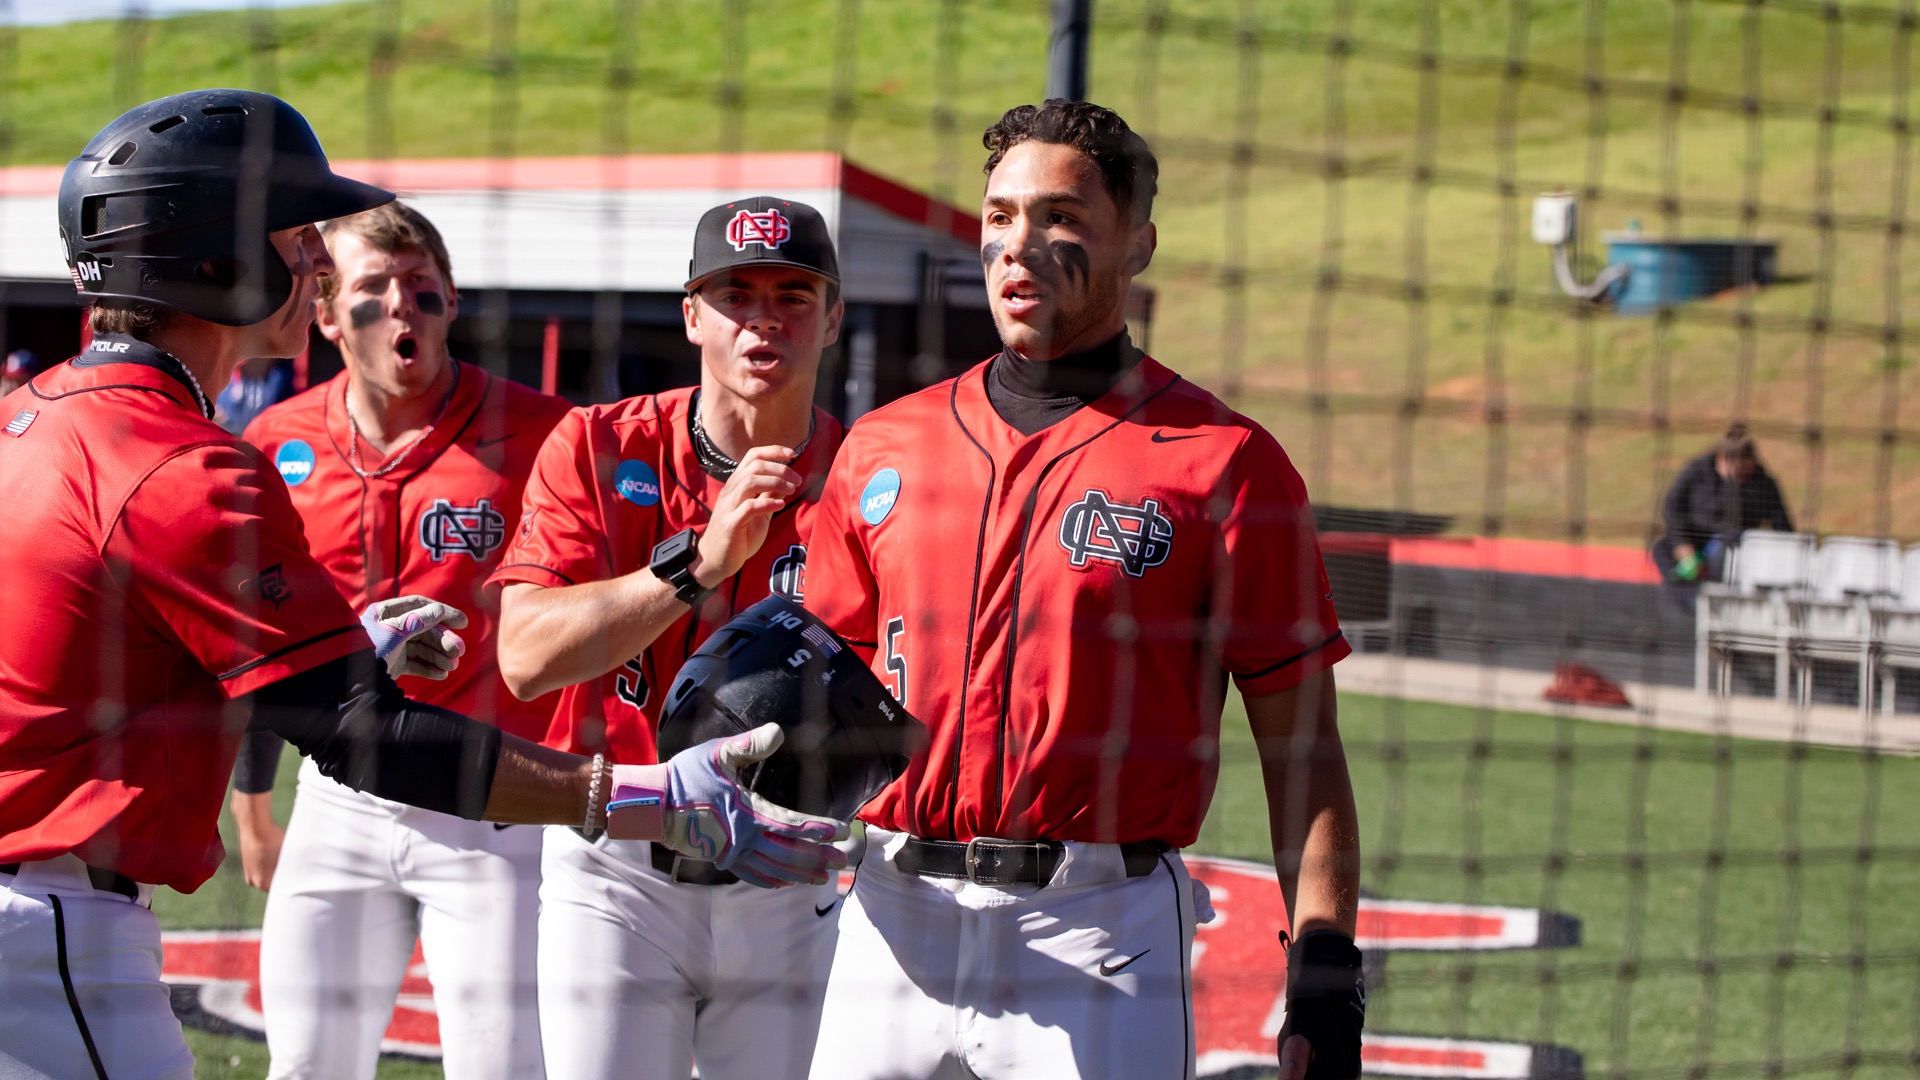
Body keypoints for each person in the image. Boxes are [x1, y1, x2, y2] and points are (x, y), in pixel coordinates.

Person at [0, 90, 845, 1080]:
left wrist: (337, 646)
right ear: (213, 259)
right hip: (52, 930)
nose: (316, 262)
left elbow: (103, 679)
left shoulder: (34, 415)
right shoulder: (189, 463)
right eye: (295, 235)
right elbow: (372, 737)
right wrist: (646, 796)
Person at [799, 100, 1365, 1080]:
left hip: (1097, 932)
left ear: (1137, 243)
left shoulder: (1225, 462)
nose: (1020, 246)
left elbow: (1303, 750)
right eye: (999, 216)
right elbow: (819, 689)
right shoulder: (883, 444)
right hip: (890, 919)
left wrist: (1324, 962)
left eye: (1060, 218)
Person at [489, 196, 848, 1080]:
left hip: (790, 873)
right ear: (692, 315)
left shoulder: (871, 474)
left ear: (833, 316)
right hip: (617, 869)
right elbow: (525, 659)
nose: (763, 318)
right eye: (736, 294)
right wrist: (698, 565)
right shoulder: (599, 445)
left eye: (793, 294)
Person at [230, 201, 572, 1080]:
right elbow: (259, 645)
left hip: (492, 798)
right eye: (374, 288)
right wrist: (254, 807)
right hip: (339, 797)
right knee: (305, 1066)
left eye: (421, 287)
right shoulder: (276, 443)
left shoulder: (546, 436)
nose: (402, 306)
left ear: (452, 301)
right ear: (326, 313)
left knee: (503, 1070)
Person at [1653, 423, 1795, 615]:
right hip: (1694, 542)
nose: (1741, 479)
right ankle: (1691, 603)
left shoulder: (1764, 484)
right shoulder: (1697, 471)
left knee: (1728, 545)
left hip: (1734, 546)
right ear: (1722, 459)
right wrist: (1683, 545)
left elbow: (1783, 527)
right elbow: (1672, 507)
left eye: (1746, 474)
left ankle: (1714, 602)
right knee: (1661, 549)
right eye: (1737, 472)